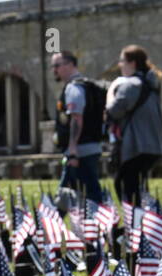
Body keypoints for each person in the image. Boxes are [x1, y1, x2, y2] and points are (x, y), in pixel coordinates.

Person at [106, 45, 162, 205]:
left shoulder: (131, 85)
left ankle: (136, 222)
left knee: (124, 184)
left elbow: (114, 110)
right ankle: (144, 219)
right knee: (137, 186)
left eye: (122, 61)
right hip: (153, 145)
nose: (120, 65)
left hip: (136, 146)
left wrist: (111, 92)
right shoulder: (149, 84)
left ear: (132, 63)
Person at [51, 51, 105, 205]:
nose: (54, 70)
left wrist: (73, 150)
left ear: (70, 65)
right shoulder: (84, 86)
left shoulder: (74, 88)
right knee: (70, 194)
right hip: (87, 149)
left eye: (57, 65)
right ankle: (52, 225)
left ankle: (102, 225)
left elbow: (76, 118)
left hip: (80, 152)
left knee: (90, 195)